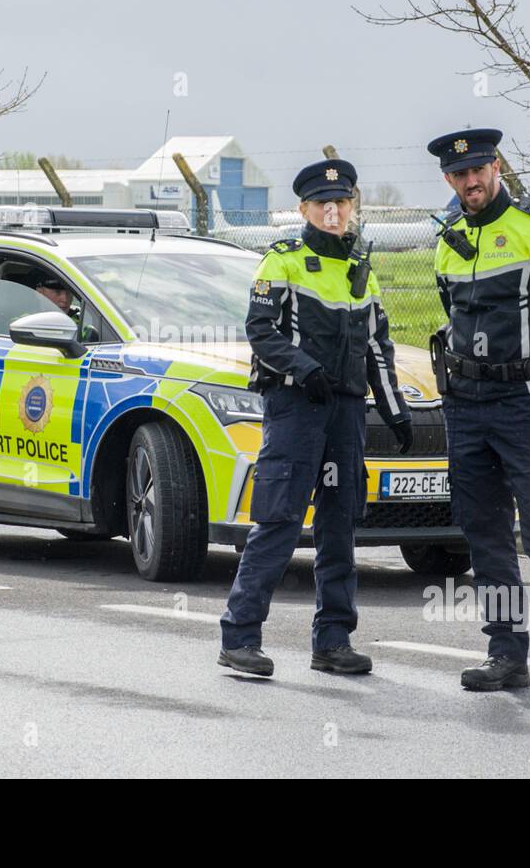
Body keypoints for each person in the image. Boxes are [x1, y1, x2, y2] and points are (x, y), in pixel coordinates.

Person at [218, 158, 412, 677]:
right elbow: (261, 331)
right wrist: (306, 371)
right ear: (304, 209)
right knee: (279, 519)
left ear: (353, 208)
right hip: (296, 408)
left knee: (339, 524)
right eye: (323, 204)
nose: (333, 211)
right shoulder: (281, 260)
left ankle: (333, 641)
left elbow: (378, 347)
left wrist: (395, 413)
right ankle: (239, 637)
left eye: (342, 203)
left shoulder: (360, 273)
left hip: (345, 412)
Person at [426, 128, 530, 700]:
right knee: (487, 536)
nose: (470, 181)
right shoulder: (447, 240)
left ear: (495, 167)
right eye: (459, 175)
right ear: (449, 181)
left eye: (478, 170)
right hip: (466, 405)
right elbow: (454, 312)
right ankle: (506, 654)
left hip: (524, 405)